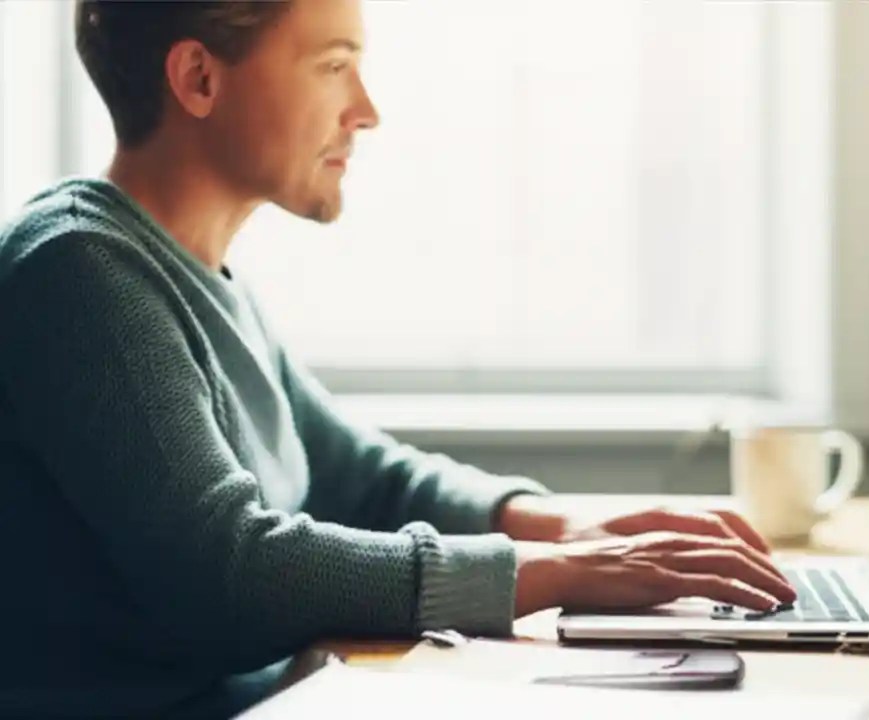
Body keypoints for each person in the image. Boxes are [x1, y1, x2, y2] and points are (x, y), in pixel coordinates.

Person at [0, 1, 797, 717]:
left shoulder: (192, 272)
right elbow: (226, 577)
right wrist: (561, 572)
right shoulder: (78, 272)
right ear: (200, 78)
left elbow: (365, 480)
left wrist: (571, 525)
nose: (367, 111)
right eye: (335, 65)